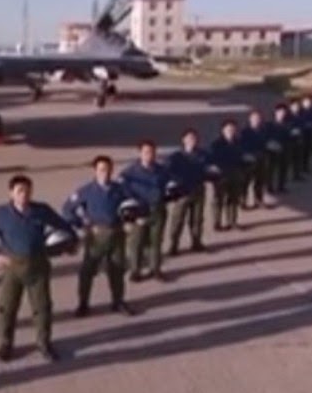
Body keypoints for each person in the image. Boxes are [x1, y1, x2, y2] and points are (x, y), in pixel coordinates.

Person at [0, 174, 78, 362]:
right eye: (20, 191)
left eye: (27, 191)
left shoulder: (42, 211)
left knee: (42, 307)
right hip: (13, 267)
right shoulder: (0, 214)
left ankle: (43, 342)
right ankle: (5, 344)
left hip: (38, 265)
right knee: (7, 308)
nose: (24, 195)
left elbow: (65, 226)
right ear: (11, 193)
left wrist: (70, 244)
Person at [62, 156, 136, 317]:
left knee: (117, 269)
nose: (105, 173)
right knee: (87, 271)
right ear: (95, 171)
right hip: (96, 236)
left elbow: (132, 206)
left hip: (117, 234)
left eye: (108, 169)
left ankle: (118, 301)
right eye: (102, 169)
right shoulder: (86, 191)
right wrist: (82, 225)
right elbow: (68, 209)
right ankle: (83, 303)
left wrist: (130, 221)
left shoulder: (120, 189)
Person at [120, 141, 170, 282]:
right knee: (137, 242)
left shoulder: (162, 170)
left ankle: (155, 269)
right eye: (146, 152)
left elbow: (168, 187)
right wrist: (132, 215)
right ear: (140, 153)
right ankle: (135, 271)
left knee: (156, 242)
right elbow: (124, 193)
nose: (150, 155)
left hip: (158, 210)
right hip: (139, 212)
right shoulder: (129, 173)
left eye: (152, 152)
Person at [166, 128, 211, 254]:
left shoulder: (203, 154)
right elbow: (167, 172)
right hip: (182, 192)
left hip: (198, 190)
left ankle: (196, 242)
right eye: (189, 138)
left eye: (194, 138)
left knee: (197, 219)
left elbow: (209, 169)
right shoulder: (176, 157)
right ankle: (173, 245)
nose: (192, 141)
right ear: (183, 140)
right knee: (177, 219)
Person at [209, 119, 245, 231]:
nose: (230, 131)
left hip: (235, 174)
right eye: (228, 129)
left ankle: (232, 221)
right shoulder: (216, 144)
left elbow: (242, 158)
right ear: (223, 130)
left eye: (233, 129)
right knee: (218, 200)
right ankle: (217, 222)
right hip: (221, 176)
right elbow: (211, 160)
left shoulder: (239, 142)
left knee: (233, 199)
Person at [238, 110, 270, 209]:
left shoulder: (264, 130)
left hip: (261, 158)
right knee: (246, 181)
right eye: (254, 118)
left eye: (258, 119)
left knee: (260, 180)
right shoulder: (245, 132)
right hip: (249, 160)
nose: (257, 120)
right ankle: (243, 201)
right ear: (250, 119)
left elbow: (266, 143)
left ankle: (259, 200)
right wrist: (247, 155)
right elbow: (241, 146)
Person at [262, 105, 292, 194]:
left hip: (283, 148)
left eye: (283, 112)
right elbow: (265, 136)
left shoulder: (287, 124)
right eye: (280, 112)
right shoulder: (269, 124)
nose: (281, 114)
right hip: (271, 150)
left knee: (283, 168)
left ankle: (281, 186)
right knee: (271, 169)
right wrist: (271, 144)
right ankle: (269, 186)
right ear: (275, 113)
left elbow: (289, 136)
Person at [286, 99, 310, 179]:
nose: (296, 108)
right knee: (289, 159)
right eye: (294, 106)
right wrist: (291, 131)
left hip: (299, 138)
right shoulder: (287, 116)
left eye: (297, 106)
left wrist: (301, 130)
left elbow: (303, 125)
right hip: (290, 140)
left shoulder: (300, 115)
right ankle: (286, 175)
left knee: (298, 157)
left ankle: (296, 174)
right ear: (290, 107)